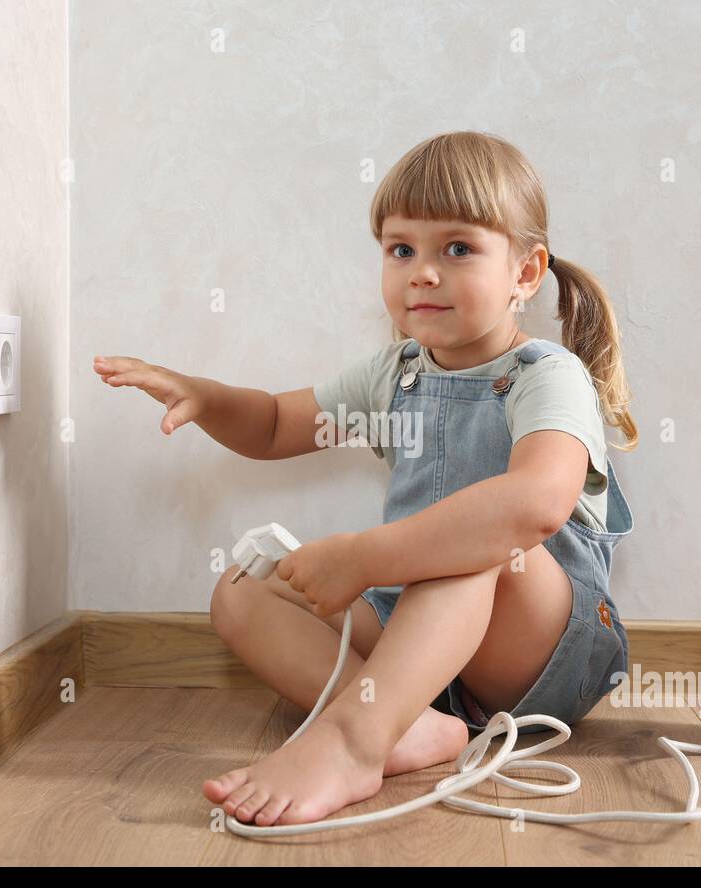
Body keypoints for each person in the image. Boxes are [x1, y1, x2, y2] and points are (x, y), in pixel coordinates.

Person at [93, 130, 638, 829]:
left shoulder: (544, 376)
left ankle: (353, 741)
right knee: (241, 590)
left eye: (458, 249)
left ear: (525, 274)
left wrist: (361, 557)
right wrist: (202, 394)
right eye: (401, 249)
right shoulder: (395, 372)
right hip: (431, 656)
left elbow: (531, 508)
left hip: (540, 649)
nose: (423, 272)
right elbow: (269, 425)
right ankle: (405, 725)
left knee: (471, 546)